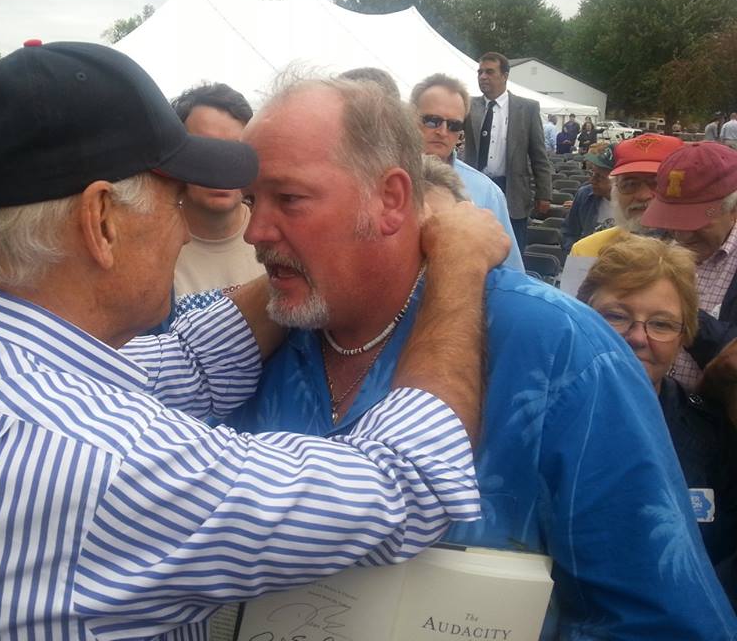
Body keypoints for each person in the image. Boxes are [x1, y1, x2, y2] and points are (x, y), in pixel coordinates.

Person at [0, 41, 505, 639]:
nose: (191, 228)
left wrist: (317, 260)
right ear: (100, 219)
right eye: (174, 198)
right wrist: (457, 262)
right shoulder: (114, 465)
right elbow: (411, 482)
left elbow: (183, 362)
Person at [227, 74, 737, 638]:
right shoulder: (249, 348)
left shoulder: (560, 352)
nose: (254, 231)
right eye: (251, 200)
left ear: (392, 199)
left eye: (289, 199)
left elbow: (660, 619)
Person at [577, 232, 736, 603]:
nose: (637, 337)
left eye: (662, 324)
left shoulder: (713, 436)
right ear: (581, 314)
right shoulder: (535, 424)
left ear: (685, 337)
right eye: (616, 316)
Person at [639, 142, 737, 392]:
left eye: (696, 221)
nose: (681, 235)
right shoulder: (650, 248)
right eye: (673, 218)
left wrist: (677, 313)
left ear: (734, 210)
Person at [409, 72, 523, 270]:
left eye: (454, 125)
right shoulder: (381, 178)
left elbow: (510, 272)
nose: (443, 131)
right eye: (432, 121)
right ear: (410, 118)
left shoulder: (487, 192)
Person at [170, 82, 265, 296]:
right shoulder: (151, 253)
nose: (222, 165)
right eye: (205, 149)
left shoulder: (276, 236)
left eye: (236, 150)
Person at [462, 51, 552, 252]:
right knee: (474, 250)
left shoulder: (527, 108)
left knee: (513, 250)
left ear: (505, 76)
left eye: (489, 72)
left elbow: (539, 156)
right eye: (480, 72)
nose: (483, 77)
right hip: (476, 190)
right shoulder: (468, 106)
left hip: (512, 191)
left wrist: (544, 194)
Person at [568, 133, 683, 257]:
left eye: (656, 183)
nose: (643, 195)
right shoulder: (588, 250)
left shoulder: (702, 257)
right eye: (630, 184)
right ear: (615, 189)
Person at [561, 146, 615, 253]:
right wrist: (577, 253)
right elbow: (569, 232)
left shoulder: (634, 204)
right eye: (592, 174)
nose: (592, 180)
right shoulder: (584, 195)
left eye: (599, 177)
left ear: (618, 180)